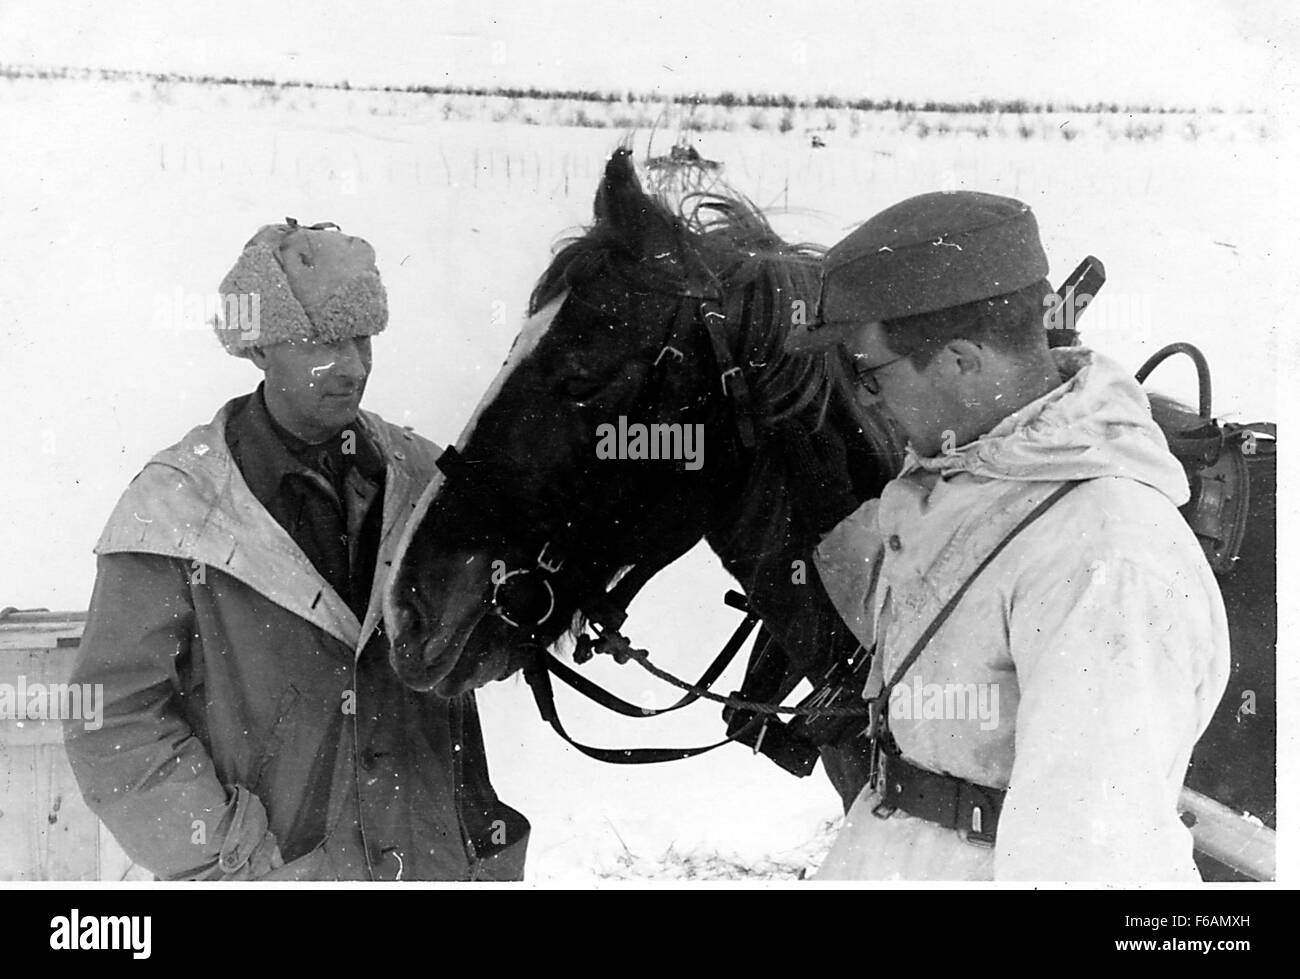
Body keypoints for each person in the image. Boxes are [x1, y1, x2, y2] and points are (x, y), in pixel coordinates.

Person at [64, 219, 528, 880]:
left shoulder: (423, 480)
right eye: (322, 342)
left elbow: (480, 653)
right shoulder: (176, 511)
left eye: (362, 338)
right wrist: (226, 851)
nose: (352, 367)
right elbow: (112, 717)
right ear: (259, 347)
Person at [787, 192, 1230, 880]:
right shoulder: (971, 481)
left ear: (964, 360)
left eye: (868, 375)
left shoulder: (1107, 554)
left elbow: (1087, 852)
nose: (863, 402)